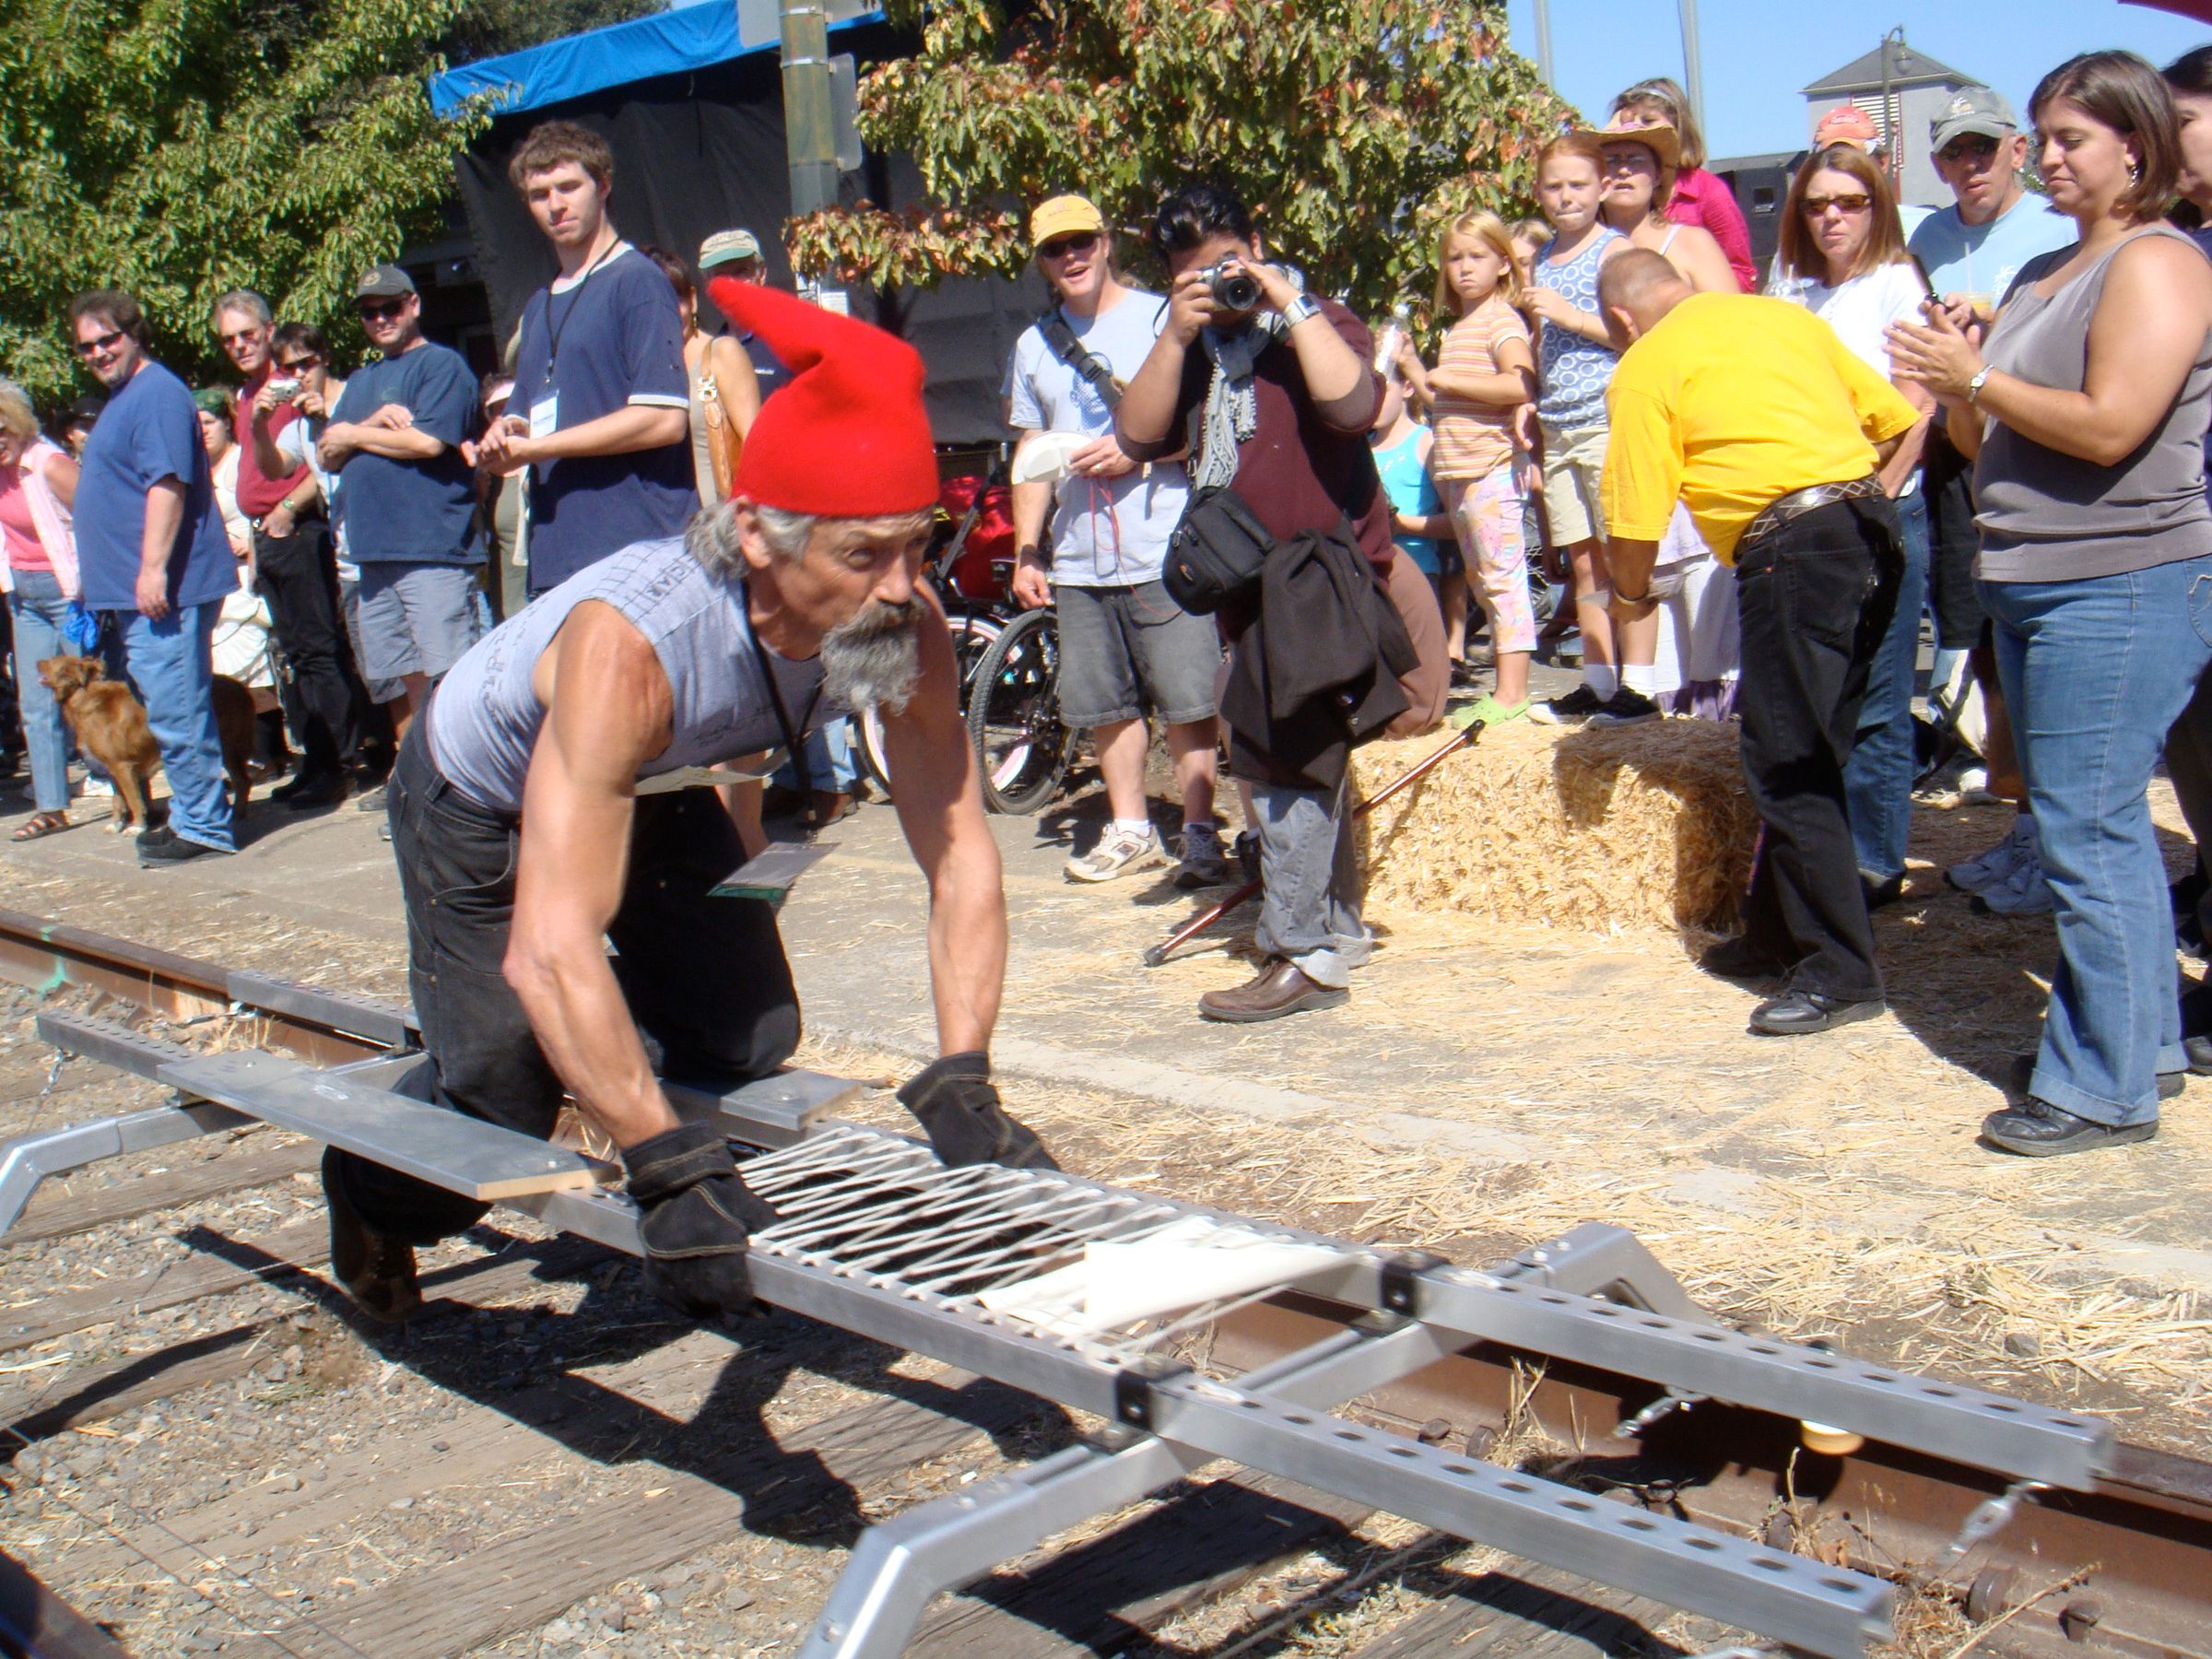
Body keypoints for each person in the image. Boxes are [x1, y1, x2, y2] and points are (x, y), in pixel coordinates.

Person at [323, 282, 1055, 1323]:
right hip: (474, 800)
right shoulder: (633, 644)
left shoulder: (905, 622)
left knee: (750, 1034)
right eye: (862, 554)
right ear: (755, 534)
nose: (901, 585)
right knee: (501, 1098)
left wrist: (964, 1071)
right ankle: (366, 1186)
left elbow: (957, 846)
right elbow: (546, 943)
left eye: (914, 544)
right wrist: (664, 1159)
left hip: (652, 786)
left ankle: (598, 1051)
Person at [1890, 52, 2212, 1158]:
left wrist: (1976, 379)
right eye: (2046, 135)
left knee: (2089, 828)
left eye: (2072, 137)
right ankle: (2134, 1050)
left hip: (2118, 578)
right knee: (2085, 823)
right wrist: (1959, 381)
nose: (2053, 157)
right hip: (2031, 575)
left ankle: (2104, 1088)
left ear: (2137, 147)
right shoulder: (2040, 273)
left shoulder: (2160, 264)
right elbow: (1993, 445)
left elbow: (2114, 425)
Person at [1118, 183, 1428, 1022]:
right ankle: (1335, 933)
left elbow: (1356, 405)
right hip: (1246, 584)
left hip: (1321, 576)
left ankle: (1302, 956)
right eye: (1192, 275)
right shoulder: (1191, 348)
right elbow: (1139, 436)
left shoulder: (1318, 318)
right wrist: (1179, 331)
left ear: (1255, 243)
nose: (1219, 286)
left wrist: (1287, 302)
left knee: (1281, 757)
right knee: (1308, 756)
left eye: (1227, 265)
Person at [1598, 251, 1918, 1035]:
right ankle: (1777, 934)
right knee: (1814, 746)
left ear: (1621, 320)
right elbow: (1898, 420)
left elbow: (1634, 521)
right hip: (1869, 531)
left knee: (1785, 758)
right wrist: (1858, 495)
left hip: (1790, 547)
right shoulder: (1781, 318)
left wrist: (1630, 595)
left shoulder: (1646, 364)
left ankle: (1841, 973)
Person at [1004, 193, 1224, 886]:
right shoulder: (1033, 345)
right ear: (1041, 261)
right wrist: (1028, 548)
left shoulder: (1164, 317)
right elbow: (1032, 455)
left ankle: (1197, 831)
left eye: (1081, 242)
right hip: (1077, 556)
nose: (1071, 257)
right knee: (1105, 703)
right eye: (1054, 248)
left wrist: (1140, 454)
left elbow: (1210, 425)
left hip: (1165, 545)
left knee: (1190, 699)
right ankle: (1130, 830)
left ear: (1106, 243)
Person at [1906, 88, 2078, 910]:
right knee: (1981, 633)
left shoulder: (2059, 232)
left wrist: (1989, 322)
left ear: (2015, 150)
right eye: (1953, 153)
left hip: (2047, 456)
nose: (1969, 166)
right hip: (1959, 450)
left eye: (1983, 149)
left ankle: (2057, 849)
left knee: (2047, 662)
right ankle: (2024, 832)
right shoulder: (1926, 238)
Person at [1769, 144, 1936, 911]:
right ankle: (1823, 856)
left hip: (1876, 511)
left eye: (1850, 201)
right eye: (1816, 204)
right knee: (1813, 696)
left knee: (1874, 695)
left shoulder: (1895, 283)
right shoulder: (1790, 292)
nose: (1832, 216)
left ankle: (1873, 860)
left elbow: (1917, 402)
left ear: (1878, 206)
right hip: (1805, 516)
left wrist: (1881, 495)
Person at [477, 122, 694, 596]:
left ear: (604, 185)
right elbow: (523, 421)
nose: (556, 205)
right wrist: (501, 441)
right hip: (555, 556)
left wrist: (538, 447)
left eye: (569, 187)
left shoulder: (637, 281)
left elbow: (663, 420)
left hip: (636, 553)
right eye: (539, 194)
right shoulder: (539, 306)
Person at [68, 289, 239, 864]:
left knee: (175, 706)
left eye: (107, 339)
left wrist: (151, 570)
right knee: (168, 705)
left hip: (164, 589)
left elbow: (168, 483)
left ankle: (205, 826)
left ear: (134, 333)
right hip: (133, 592)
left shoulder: (157, 393)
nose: (97, 352)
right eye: (86, 346)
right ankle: (195, 812)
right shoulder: (125, 397)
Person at [1591, 115, 1737, 724]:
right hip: (1608, 434)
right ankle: (1643, 700)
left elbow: (1732, 333)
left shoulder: (1689, 244)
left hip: (1688, 439)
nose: (1622, 171)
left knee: (1709, 609)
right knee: (1633, 572)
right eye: (1612, 160)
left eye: (1636, 160)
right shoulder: (1568, 249)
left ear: (1660, 177)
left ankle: (1719, 731)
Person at [317, 266, 485, 741]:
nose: (380, 319)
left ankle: (477, 790)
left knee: (450, 677)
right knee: (405, 683)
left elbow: (428, 442)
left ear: (414, 304)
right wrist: (366, 426)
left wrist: (352, 434)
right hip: (371, 558)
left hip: (431, 550)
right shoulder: (361, 381)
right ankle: (427, 787)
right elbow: (328, 453)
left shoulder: (442, 365)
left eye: (390, 307)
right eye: (370, 313)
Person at [218, 288, 359, 808]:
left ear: (269, 329)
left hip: (296, 532)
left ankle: (341, 764)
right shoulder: (249, 396)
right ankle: (316, 759)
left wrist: (292, 507)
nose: (239, 345)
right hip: (265, 536)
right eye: (228, 339)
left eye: (247, 334)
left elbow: (317, 456)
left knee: (319, 653)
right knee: (296, 656)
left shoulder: (292, 384)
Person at [1411, 208, 1537, 725]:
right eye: (1454, 258)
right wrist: (1417, 373)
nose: (1464, 268)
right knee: (1482, 577)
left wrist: (1447, 381)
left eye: (1477, 256)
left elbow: (1519, 385)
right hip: (1461, 474)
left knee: (1503, 579)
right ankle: (1507, 690)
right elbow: (1441, 397)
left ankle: (1512, 694)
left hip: (1491, 468)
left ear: (1503, 264)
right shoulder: (1460, 327)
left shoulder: (1501, 322)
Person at [1523, 134, 1628, 724]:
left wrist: (1571, 316)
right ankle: (1597, 680)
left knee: (1619, 553)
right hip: (1559, 421)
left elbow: (1633, 334)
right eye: (1554, 186)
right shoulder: (1542, 258)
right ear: (1539, 192)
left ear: (1602, 188)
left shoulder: (1613, 251)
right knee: (1582, 560)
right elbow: (1545, 341)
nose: (1566, 197)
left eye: (1578, 185)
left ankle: (1637, 682)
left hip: (1604, 417)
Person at [0, 377, 82, 841]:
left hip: (68, 592)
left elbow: (99, 518)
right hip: (23, 594)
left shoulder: (48, 463)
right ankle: (52, 806)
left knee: (86, 696)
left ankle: (121, 786)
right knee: (34, 704)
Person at [638, 246, 761, 511]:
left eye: (675, 299)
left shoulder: (721, 354)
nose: (666, 312)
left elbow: (757, 449)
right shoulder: (636, 371)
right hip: (660, 528)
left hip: (717, 528)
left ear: (692, 300)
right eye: (652, 306)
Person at [1610, 76, 1755, 291]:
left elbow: (1741, 270)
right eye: (1627, 123)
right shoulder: (1613, 191)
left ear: (1679, 127)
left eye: (1648, 121)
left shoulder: (1708, 190)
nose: (1635, 129)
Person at [700, 229, 791, 405]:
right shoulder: (707, 353)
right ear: (708, 285)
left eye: (741, 272)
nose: (732, 284)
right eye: (722, 276)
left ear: (761, 273)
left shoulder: (789, 344)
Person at [194, 389, 251, 557]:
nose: (203, 431)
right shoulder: (196, 471)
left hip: (247, 565)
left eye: (209, 422)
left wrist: (251, 542)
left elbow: (275, 504)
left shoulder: (242, 460)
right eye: (197, 425)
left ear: (226, 423)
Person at [62, 395, 104, 461]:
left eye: (97, 428)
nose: (91, 434)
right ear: (70, 432)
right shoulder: (66, 468)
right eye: (84, 427)